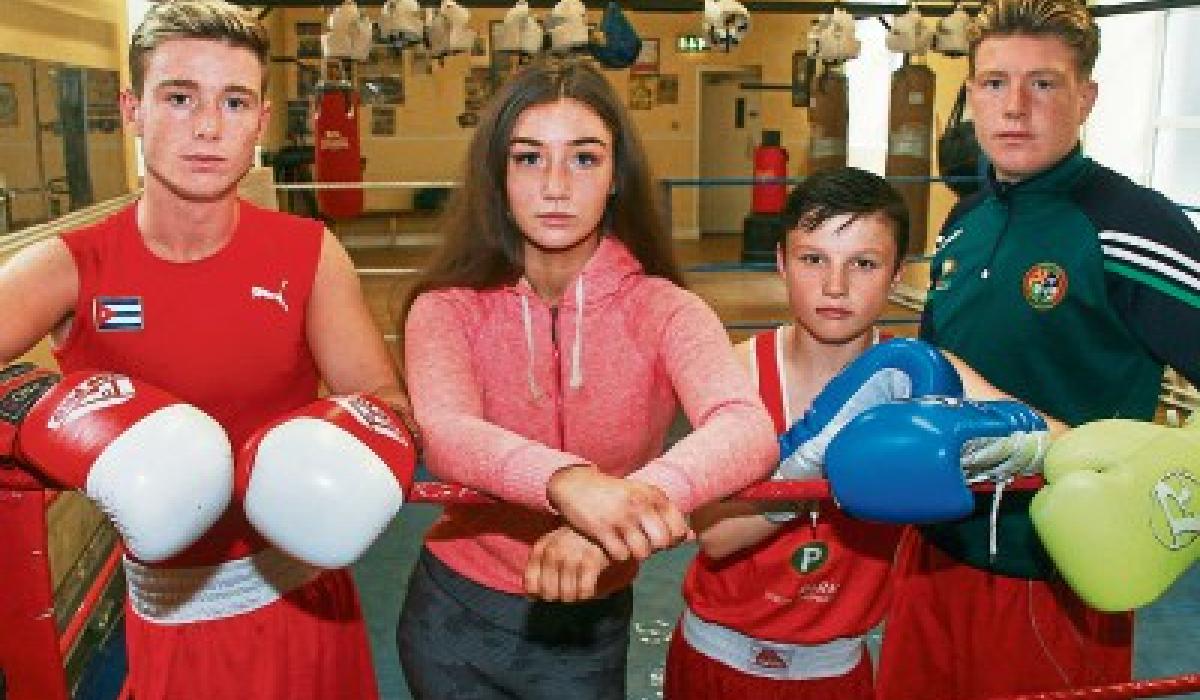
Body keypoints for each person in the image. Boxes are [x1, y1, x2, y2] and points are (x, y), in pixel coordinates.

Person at [0, 2, 412, 698]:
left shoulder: (309, 253)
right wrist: (32, 407)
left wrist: (357, 443)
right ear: (133, 109)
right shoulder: (69, 267)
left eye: (234, 101)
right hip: (169, 613)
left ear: (261, 117)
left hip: (307, 601)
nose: (208, 126)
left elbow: (386, 403)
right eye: (179, 96)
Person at [397, 58, 778, 700]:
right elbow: (448, 434)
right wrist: (568, 483)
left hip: (588, 627)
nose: (554, 186)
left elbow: (746, 426)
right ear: (497, 174)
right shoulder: (445, 308)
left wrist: (620, 509)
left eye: (583, 158)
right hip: (453, 614)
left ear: (615, 179)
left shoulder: (665, 309)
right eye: (527, 158)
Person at [876, 0, 1200, 698]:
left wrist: (1174, 499)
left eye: (1043, 83)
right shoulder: (964, 220)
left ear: (1085, 97)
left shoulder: (1129, 224)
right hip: (933, 553)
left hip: (1050, 576)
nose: (1014, 106)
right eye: (994, 83)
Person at [662, 167, 1046, 700]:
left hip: (834, 671)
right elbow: (715, 535)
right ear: (781, 262)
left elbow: (1052, 439)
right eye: (813, 259)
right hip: (716, 661)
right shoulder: (736, 376)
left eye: (862, 264)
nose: (835, 286)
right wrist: (821, 450)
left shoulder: (922, 379)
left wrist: (1004, 445)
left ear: (895, 278)